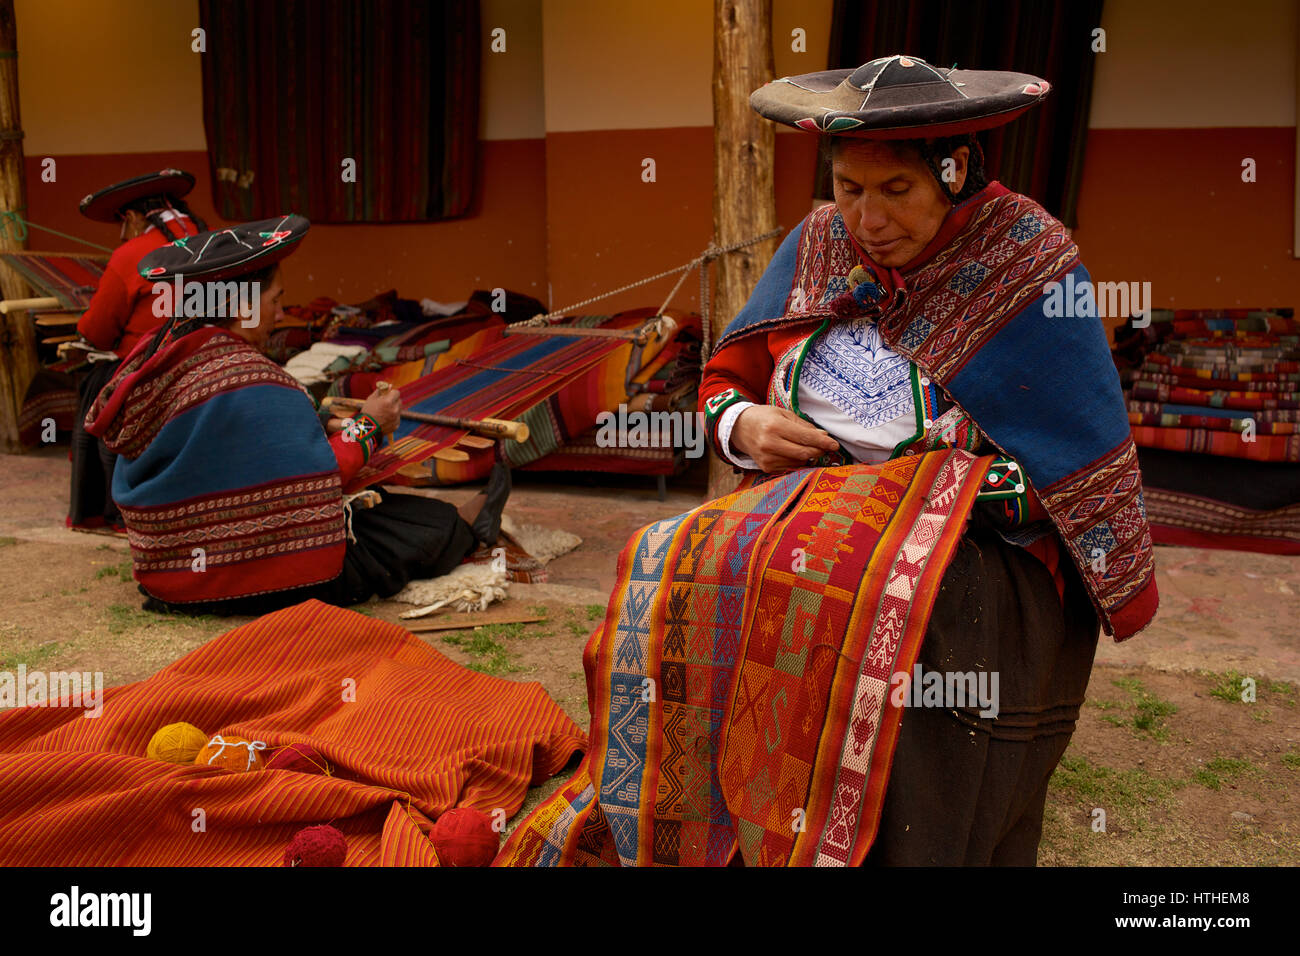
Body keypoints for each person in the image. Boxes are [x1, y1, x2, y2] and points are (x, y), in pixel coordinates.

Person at [498, 56, 1158, 868]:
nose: (867, 219)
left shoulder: (1027, 262)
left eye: (897, 191)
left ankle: (873, 839)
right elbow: (722, 381)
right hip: (797, 504)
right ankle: (701, 823)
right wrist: (744, 427)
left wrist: (925, 494)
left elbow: (1071, 480)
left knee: (867, 600)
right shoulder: (815, 242)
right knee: (673, 562)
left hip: (976, 545)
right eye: (849, 188)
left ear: (955, 175)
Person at [84, 215, 510, 616]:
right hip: (244, 576)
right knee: (420, 528)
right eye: (276, 300)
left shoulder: (168, 352)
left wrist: (319, 422)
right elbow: (320, 477)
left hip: (167, 570)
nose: (282, 314)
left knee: (382, 511)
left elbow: (237, 441)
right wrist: (370, 425)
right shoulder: (247, 377)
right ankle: (463, 529)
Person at [69, 169, 205, 529]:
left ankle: (109, 511)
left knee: (96, 386)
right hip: (205, 359)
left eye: (121, 223)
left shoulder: (131, 255)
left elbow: (96, 331)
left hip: (148, 369)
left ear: (131, 217)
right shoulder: (210, 240)